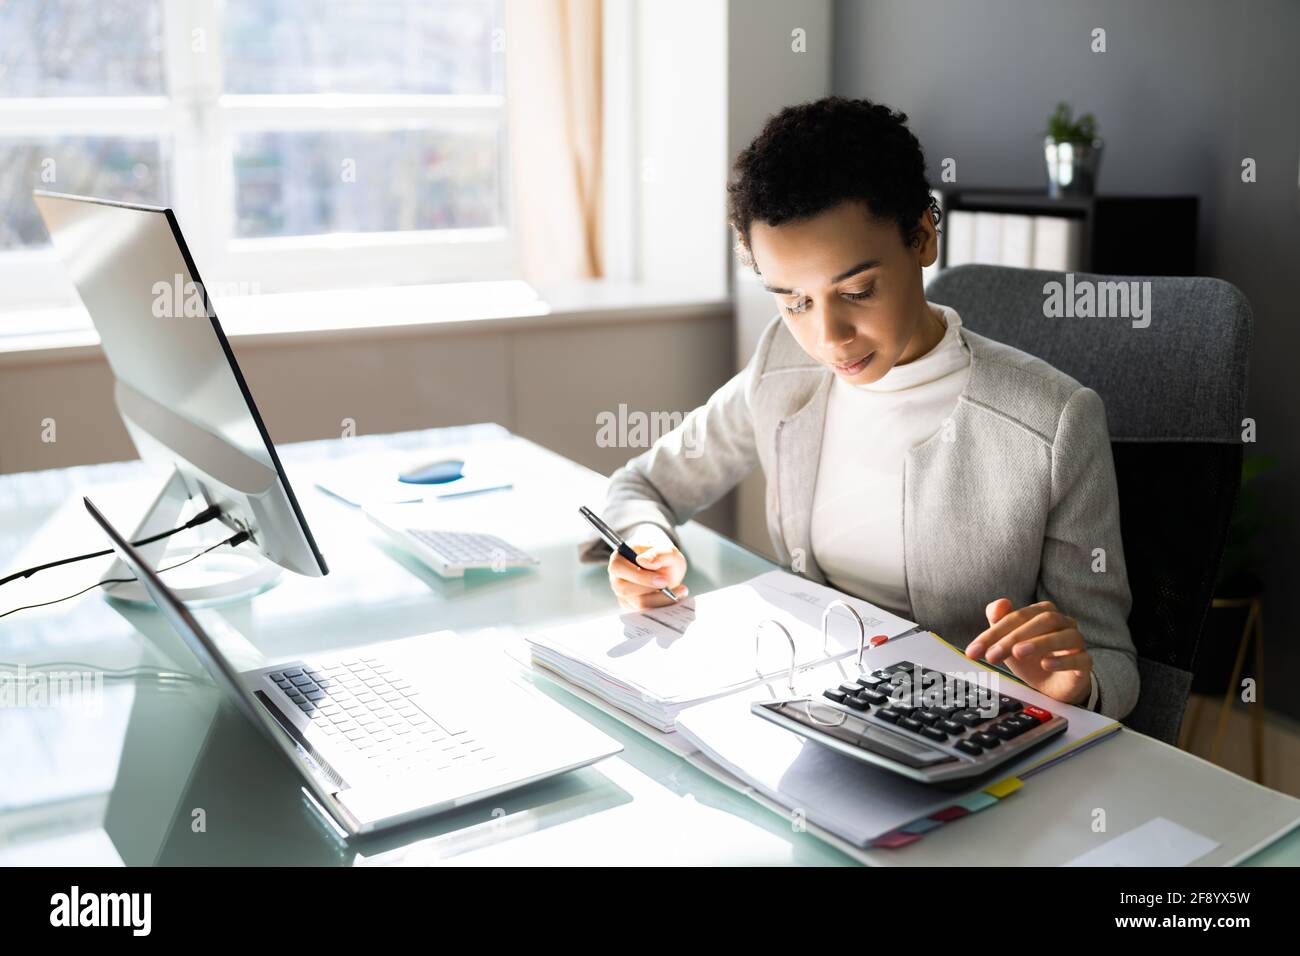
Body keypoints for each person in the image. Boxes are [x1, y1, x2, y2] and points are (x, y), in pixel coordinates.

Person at [594, 96, 1138, 720]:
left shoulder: (1054, 422)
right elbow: (641, 484)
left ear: (924, 236)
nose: (829, 337)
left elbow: (1113, 658)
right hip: (805, 713)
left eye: (856, 290)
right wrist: (643, 547)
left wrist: (1076, 683)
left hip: (961, 738)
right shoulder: (783, 366)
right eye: (794, 301)